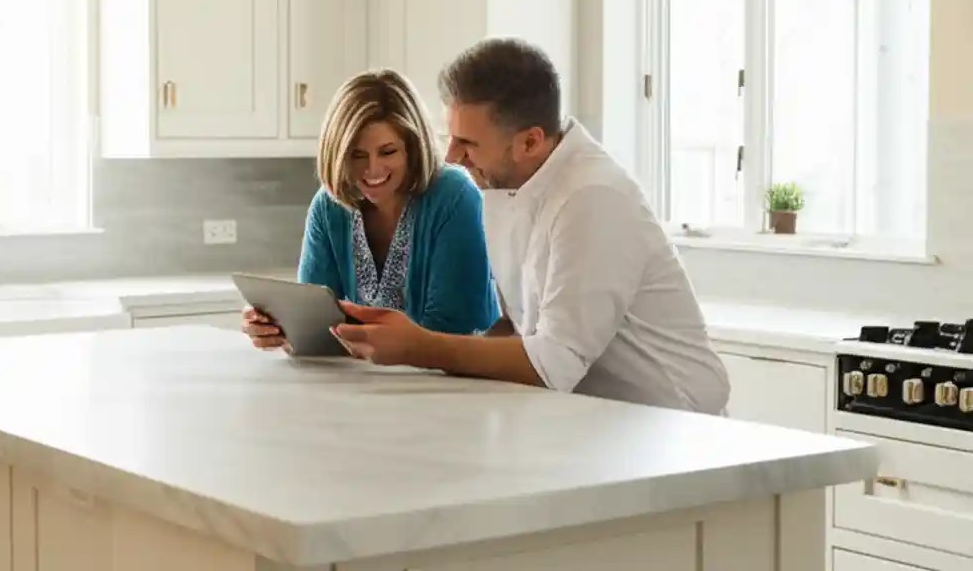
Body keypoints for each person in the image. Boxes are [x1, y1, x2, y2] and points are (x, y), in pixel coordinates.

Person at [330, 38, 730, 415]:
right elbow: (518, 326)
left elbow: (553, 363)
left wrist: (419, 347)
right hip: (594, 420)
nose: (452, 157)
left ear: (530, 142)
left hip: (673, 424)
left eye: (468, 143)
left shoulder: (592, 197)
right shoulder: (504, 182)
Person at [242, 69, 500, 347]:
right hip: (366, 385)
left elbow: (455, 329)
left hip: (462, 386)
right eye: (357, 155)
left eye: (388, 152)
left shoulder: (454, 196)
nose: (372, 169)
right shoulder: (329, 206)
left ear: (412, 148)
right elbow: (315, 325)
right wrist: (281, 328)